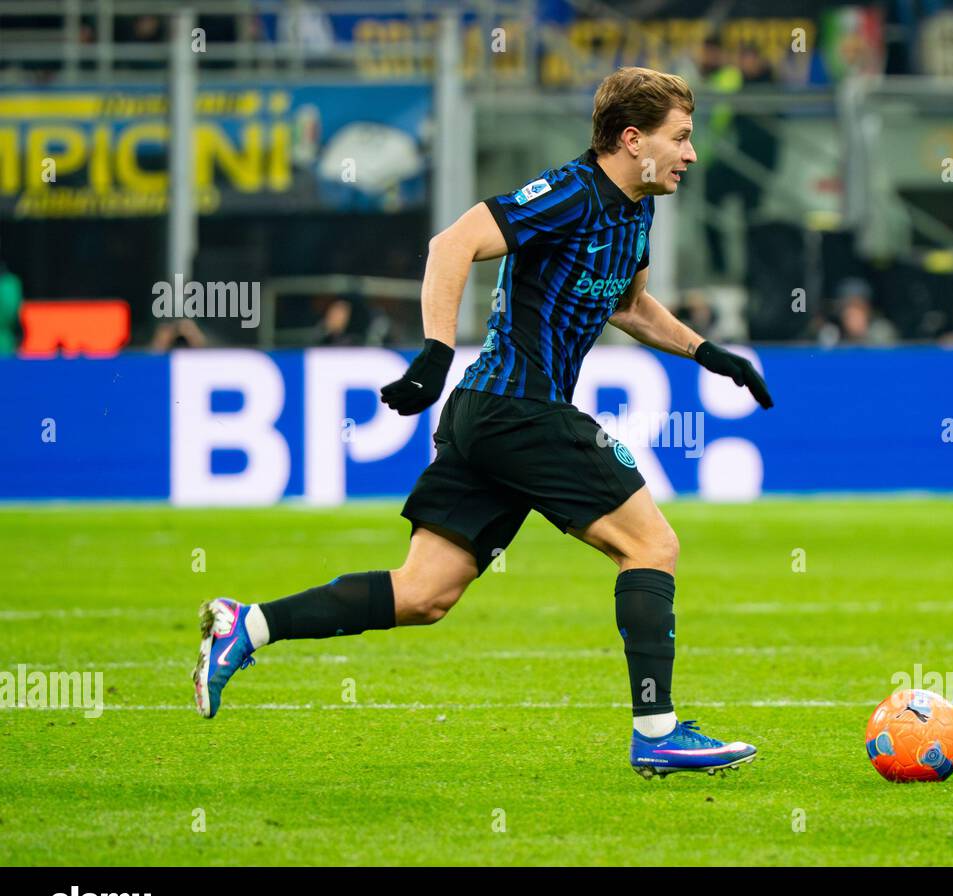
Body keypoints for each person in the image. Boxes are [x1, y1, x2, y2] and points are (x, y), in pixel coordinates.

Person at [191, 68, 774, 779]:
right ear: (632, 139)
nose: (690, 152)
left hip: (491, 418)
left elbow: (627, 305)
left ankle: (244, 626)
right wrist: (435, 351)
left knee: (424, 593)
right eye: (679, 137)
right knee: (652, 545)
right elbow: (452, 243)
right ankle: (657, 731)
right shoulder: (570, 191)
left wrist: (708, 353)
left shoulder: (637, 211)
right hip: (519, 409)